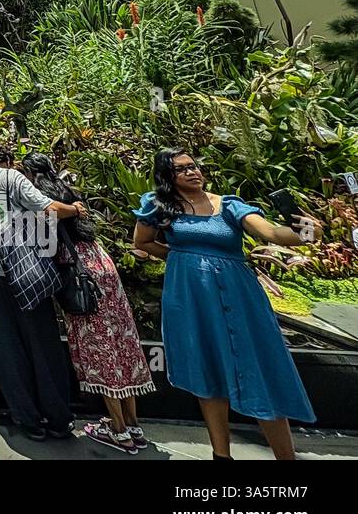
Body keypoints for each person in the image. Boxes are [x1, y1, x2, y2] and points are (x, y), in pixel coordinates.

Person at [133, 149, 318, 460]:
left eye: (193, 166)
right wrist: (182, 259)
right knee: (207, 369)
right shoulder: (158, 206)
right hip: (190, 300)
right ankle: (221, 455)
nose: (193, 172)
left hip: (239, 296)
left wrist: (307, 231)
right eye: (182, 169)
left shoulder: (229, 205)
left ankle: (286, 457)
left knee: (261, 368)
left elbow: (271, 233)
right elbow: (142, 241)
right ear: (168, 176)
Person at [21, 153, 154, 454]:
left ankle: (118, 431)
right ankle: (133, 424)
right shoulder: (70, 193)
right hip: (102, 264)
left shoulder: (43, 201)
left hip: (80, 274)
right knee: (122, 341)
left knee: (100, 347)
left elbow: (44, 235)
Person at [0, 141, 84, 442]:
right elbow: (50, 209)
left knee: (7, 347)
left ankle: (27, 419)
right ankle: (58, 417)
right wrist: (75, 208)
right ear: (10, 161)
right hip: (26, 271)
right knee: (43, 343)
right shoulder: (13, 177)